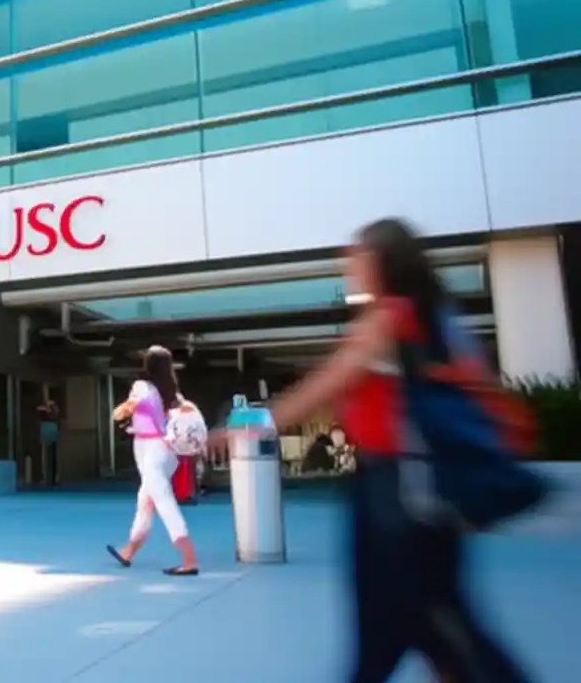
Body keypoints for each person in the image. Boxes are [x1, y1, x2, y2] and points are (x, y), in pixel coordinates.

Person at [216, 218, 530, 682]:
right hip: (424, 490)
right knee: (429, 619)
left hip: (396, 493)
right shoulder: (436, 318)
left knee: (413, 622)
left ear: (382, 261)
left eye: (357, 254)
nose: (350, 263)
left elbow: (326, 384)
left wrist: (244, 428)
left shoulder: (388, 319)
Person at [106, 346, 201, 576]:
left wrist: (121, 411)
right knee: (145, 502)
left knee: (163, 502)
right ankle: (129, 551)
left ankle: (189, 559)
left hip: (150, 450)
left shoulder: (142, 387)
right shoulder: (172, 392)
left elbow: (124, 411)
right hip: (167, 452)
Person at [36, 396, 61, 487]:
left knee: (52, 455)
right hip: (47, 430)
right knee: (45, 454)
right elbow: (38, 409)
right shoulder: (45, 413)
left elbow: (53, 414)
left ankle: (53, 477)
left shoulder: (53, 413)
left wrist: (49, 408)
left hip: (49, 430)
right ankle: (46, 477)